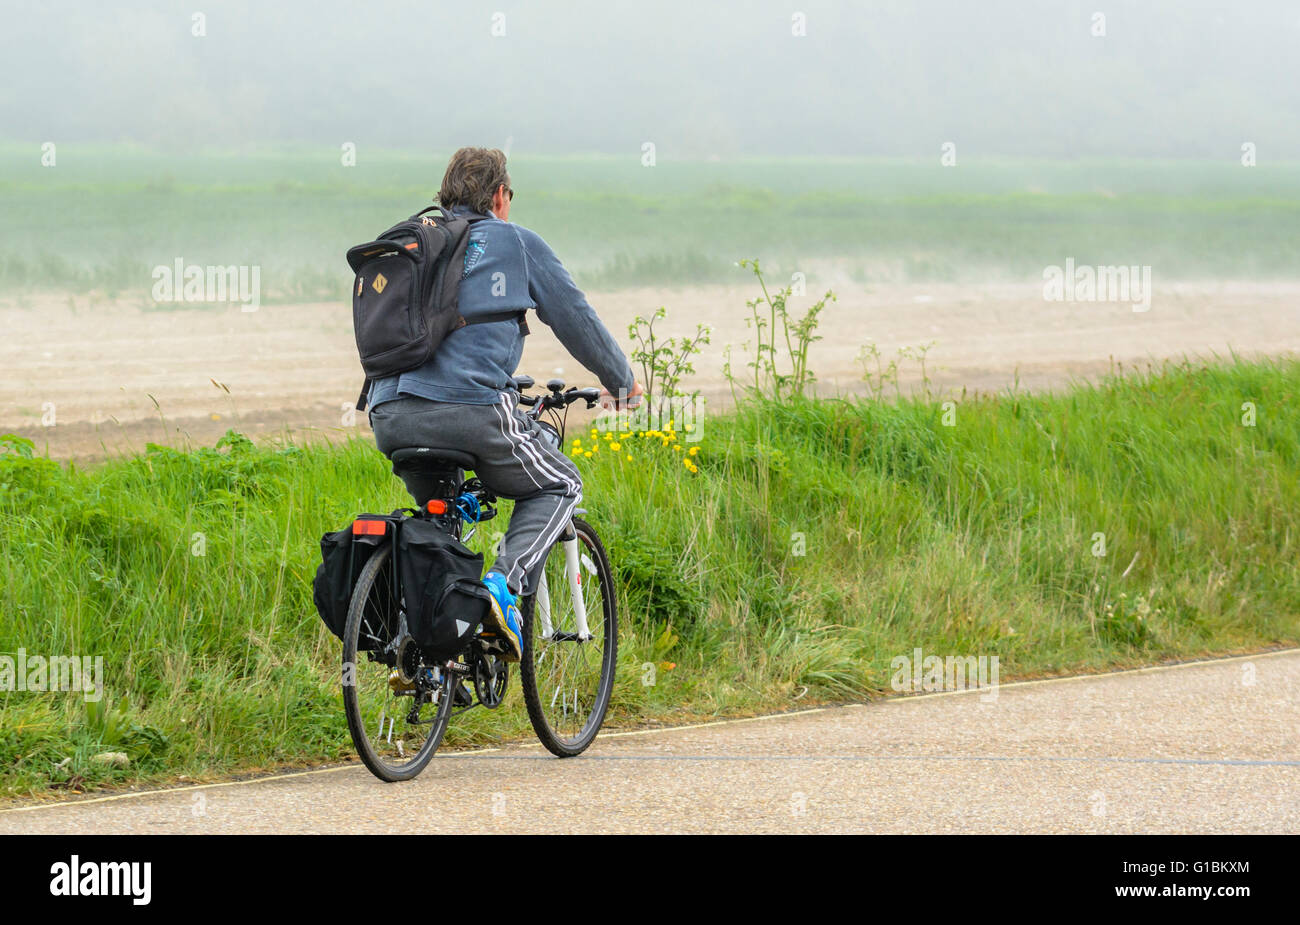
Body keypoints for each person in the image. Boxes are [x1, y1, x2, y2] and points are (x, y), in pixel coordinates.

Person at [366, 146, 643, 662]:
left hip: (390, 414)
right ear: (499, 196)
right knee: (560, 482)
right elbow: (575, 317)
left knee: (438, 521)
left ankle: (421, 652)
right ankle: (502, 588)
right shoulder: (514, 243)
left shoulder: (410, 243)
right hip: (469, 410)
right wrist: (622, 381)